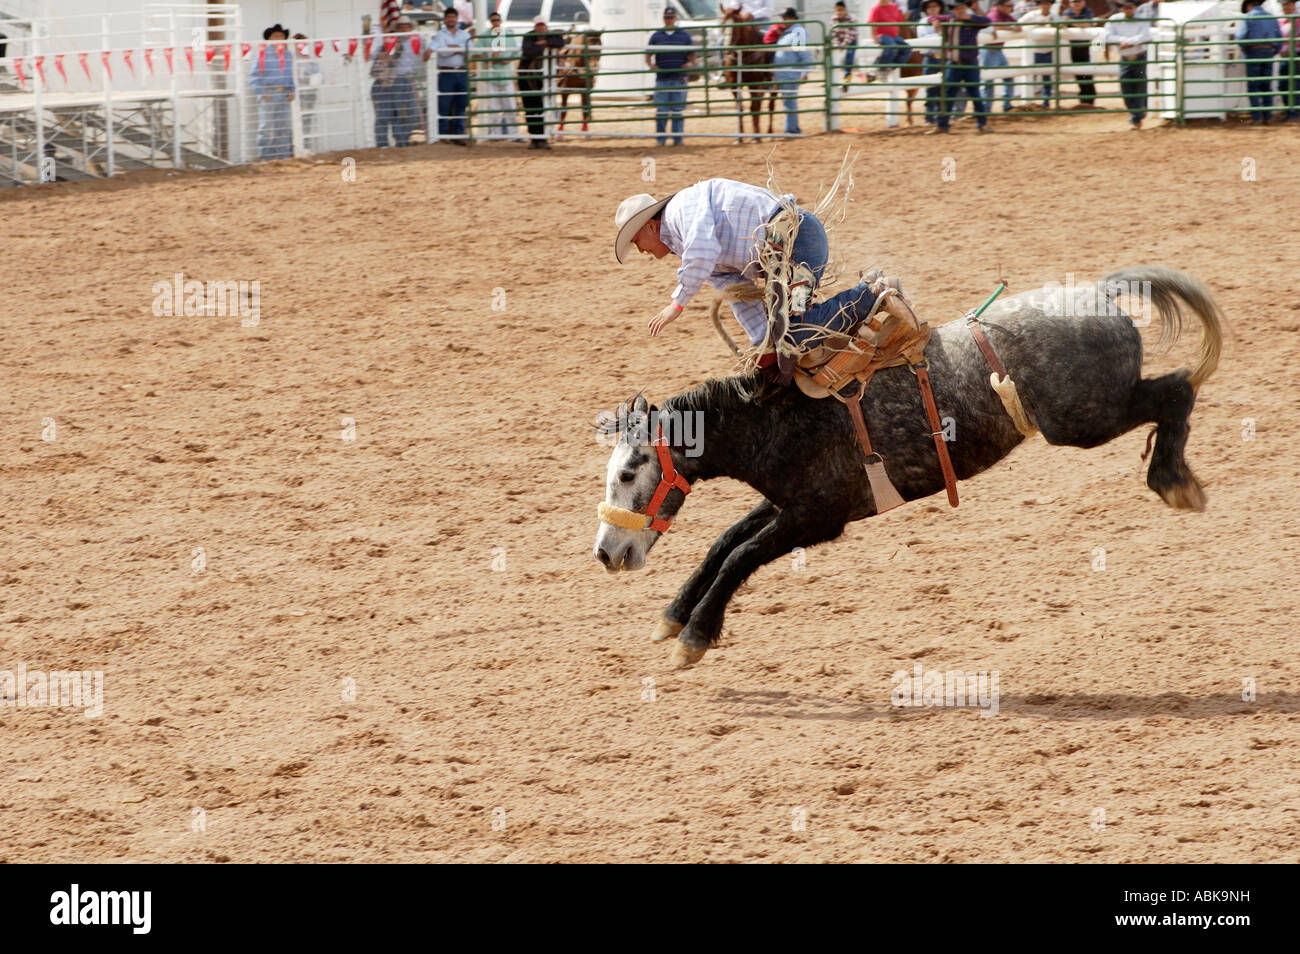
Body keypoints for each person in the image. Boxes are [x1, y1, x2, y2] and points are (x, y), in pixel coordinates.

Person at [613, 179, 879, 382]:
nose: (641, 250)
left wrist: (676, 304)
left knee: (793, 334)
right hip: (787, 253)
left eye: (636, 242)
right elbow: (738, 293)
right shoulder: (687, 242)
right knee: (782, 351)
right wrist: (761, 343)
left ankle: (871, 293)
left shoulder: (682, 210)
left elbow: (701, 252)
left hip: (796, 241)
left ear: (649, 225)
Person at [930, 0, 991, 133]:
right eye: (956, 9)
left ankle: (982, 124)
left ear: (965, 8)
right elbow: (932, 17)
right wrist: (935, 21)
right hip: (955, 63)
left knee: (975, 94)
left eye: (961, 8)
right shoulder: (949, 20)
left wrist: (969, 17)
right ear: (953, 10)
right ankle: (942, 125)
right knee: (947, 94)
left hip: (969, 63)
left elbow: (987, 21)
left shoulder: (972, 21)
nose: (959, 11)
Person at [370, 15, 429, 147]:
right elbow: (372, 54)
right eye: (401, 26)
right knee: (392, 113)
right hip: (393, 79)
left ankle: (402, 140)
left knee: (410, 113)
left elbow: (427, 48)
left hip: (408, 79)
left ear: (410, 27)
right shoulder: (389, 42)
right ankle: (386, 143)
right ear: (396, 28)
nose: (404, 28)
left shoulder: (417, 40)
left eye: (406, 26)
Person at [647, 7, 695, 146]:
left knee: (677, 110)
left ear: (675, 18)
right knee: (662, 110)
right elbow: (648, 53)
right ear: (664, 18)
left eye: (671, 17)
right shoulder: (656, 36)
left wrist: (690, 63)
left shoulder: (684, 35)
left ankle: (677, 139)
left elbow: (692, 53)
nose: (669, 20)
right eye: (667, 17)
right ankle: (661, 139)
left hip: (678, 76)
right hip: (663, 77)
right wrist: (651, 64)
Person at [249, 24, 296, 160]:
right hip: (269, 93)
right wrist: (262, 91)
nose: (279, 38)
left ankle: (284, 157)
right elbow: (253, 76)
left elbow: (290, 75)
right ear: (269, 38)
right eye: (276, 36)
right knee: (267, 127)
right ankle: (266, 157)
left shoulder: (287, 55)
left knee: (284, 127)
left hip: (284, 93)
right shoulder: (262, 55)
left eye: (281, 36)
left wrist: (292, 90)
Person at [473, 11, 522, 140]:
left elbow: (516, 53)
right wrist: (488, 57)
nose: (496, 22)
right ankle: (496, 134)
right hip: (491, 76)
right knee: (493, 107)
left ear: (501, 21)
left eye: (497, 20)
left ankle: (513, 134)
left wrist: (508, 60)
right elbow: (475, 53)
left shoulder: (509, 36)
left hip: (505, 75)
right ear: (490, 22)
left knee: (510, 106)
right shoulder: (484, 36)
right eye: (494, 20)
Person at [518, 17, 565, 149]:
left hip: (540, 79)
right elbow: (528, 51)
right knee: (531, 109)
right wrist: (545, 45)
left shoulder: (551, 35)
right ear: (535, 27)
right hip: (527, 78)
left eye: (542, 25)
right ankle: (535, 138)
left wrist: (542, 43)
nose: (540, 28)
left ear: (545, 26)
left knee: (541, 107)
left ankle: (542, 137)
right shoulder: (529, 36)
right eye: (538, 26)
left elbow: (560, 41)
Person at [1104, 0, 1150, 129]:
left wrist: (1127, 42)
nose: (1128, 9)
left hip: (1138, 55)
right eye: (1125, 7)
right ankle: (1138, 112)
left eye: (1130, 7)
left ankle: (1135, 117)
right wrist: (1124, 41)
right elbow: (1107, 36)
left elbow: (1145, 35)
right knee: (1126, 86)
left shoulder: (1142, 19)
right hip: (1126, 56)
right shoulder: (1114, 20)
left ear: (1134, 7)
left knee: (1139, 85)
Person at [1237, 0, 1283, 124]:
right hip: (1268, 51)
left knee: (1253, 85)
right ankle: (1267, 116)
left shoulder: (1249, 17)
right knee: (1266, 85)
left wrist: (1245, 50)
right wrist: (1273, 51)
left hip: (1253, 51)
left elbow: (1241, 37)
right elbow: (1279, 36)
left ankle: (1256, 117)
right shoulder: (1271, 17)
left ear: (1249, 5)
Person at [430, 7, 471, 141]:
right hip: (446, 72)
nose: (451, 19)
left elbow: (470, 49)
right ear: (445, 19)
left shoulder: (464, 34)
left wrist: (452, 48)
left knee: (461, 104)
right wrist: (458, 49)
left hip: (461, 71)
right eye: (449, 17)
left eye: (453, 16)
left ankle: (458, 134)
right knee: (444, 105)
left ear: (457, 18)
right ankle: (442, 135)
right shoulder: (440, 35)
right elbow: (441, 52)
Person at [772, 8, 812, 135]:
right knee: (788, 101)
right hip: (783, 73)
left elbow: (804, 54)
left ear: (792, 18)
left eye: (784, 18)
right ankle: (792, 129)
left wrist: (805, 72)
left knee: (789, 101)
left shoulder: (798, 33)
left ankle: (792, 130)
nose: (782, 20)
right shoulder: (788, 33)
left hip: (790, 73)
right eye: (782, 18)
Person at [1018, 0, 1057, 109]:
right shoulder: (1031, 16)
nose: (1045, 6)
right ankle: (1029, 102)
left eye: (1047, 3)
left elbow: (1063, 25)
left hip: (1047, 50)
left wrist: (1055, 24)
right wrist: (1036, 25)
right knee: (1032, 77)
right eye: (1043, 3)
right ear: (1039, 5)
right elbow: (1019, 24)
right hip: (1034, 50)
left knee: (1046, 78)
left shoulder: (1054, 16)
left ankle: (1045, 102)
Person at [982, 0, 1019, 113]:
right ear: (1000, 6)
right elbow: (995, 27)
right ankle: (986, 109)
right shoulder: (994, 14)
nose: (1010, 8)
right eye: (1008, 6)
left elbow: (1017, 25)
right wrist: (1012, 28)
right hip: (990, 50)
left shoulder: (1004, 15)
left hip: (996, 50)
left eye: (1011, 6)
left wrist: (1012, 27)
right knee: (989, 80)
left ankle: (1005, 105)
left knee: (1007, 77)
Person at [919, 0, 951, 124]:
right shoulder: (923, 22)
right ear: (926, 10)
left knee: (943, 88)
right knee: (931, 89)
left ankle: (940, 116)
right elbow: (925, 39)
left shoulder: (946, 20)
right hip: (931, 57)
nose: (932, 9)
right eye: (929, 7)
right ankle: (930, 116)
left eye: (935, 6)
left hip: (943, 57)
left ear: (940, 8)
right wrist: (940, 33)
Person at [1061, 0, 1096, 107]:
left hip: (1086, 46)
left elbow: (1087, 24)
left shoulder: (1087, 11)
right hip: (1074, 46)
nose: (1076, 4)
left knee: (1087, 73)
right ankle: (1084, 98)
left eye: (1078, 1)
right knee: (1078, 73)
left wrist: (1070, 21)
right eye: (1074, 2)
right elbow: (1062, 24)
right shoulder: (1068, 12)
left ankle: (1089, 98)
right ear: (1070, 3)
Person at [867, 0, 912, 77]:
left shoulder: (894, 7)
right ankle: (880, 69)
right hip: (882, 35)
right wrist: (874, 37)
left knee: (907, 49)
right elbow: (872, 24)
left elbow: (900, 21)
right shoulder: (876, 8)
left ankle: (890, 67)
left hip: (894, 35)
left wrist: (904, 16)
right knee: (892, 46)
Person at [831, 1, 860, 93]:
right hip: (840, 38)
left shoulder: (850, 19)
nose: (840, 12)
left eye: (842, 10)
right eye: (838, 10)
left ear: (846, 11)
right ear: (834, 11)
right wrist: (836, 44)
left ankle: (847, 78)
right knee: (830, 53)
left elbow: (849, 34)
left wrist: (843, 45)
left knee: (850, 54)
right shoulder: (833, 19)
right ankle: (831, 79)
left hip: (851, 39)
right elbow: (833, 33)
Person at [1280, 0, 1299, 122]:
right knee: (1283, 85)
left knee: (1295, 84)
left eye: (1288, 4)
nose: (1286, 7)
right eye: (1284, 5)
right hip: (1286, 57)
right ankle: (1290, 111)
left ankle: (1294, 112)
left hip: (1297, 55)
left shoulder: (1298, 20)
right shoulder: (1282, 22)